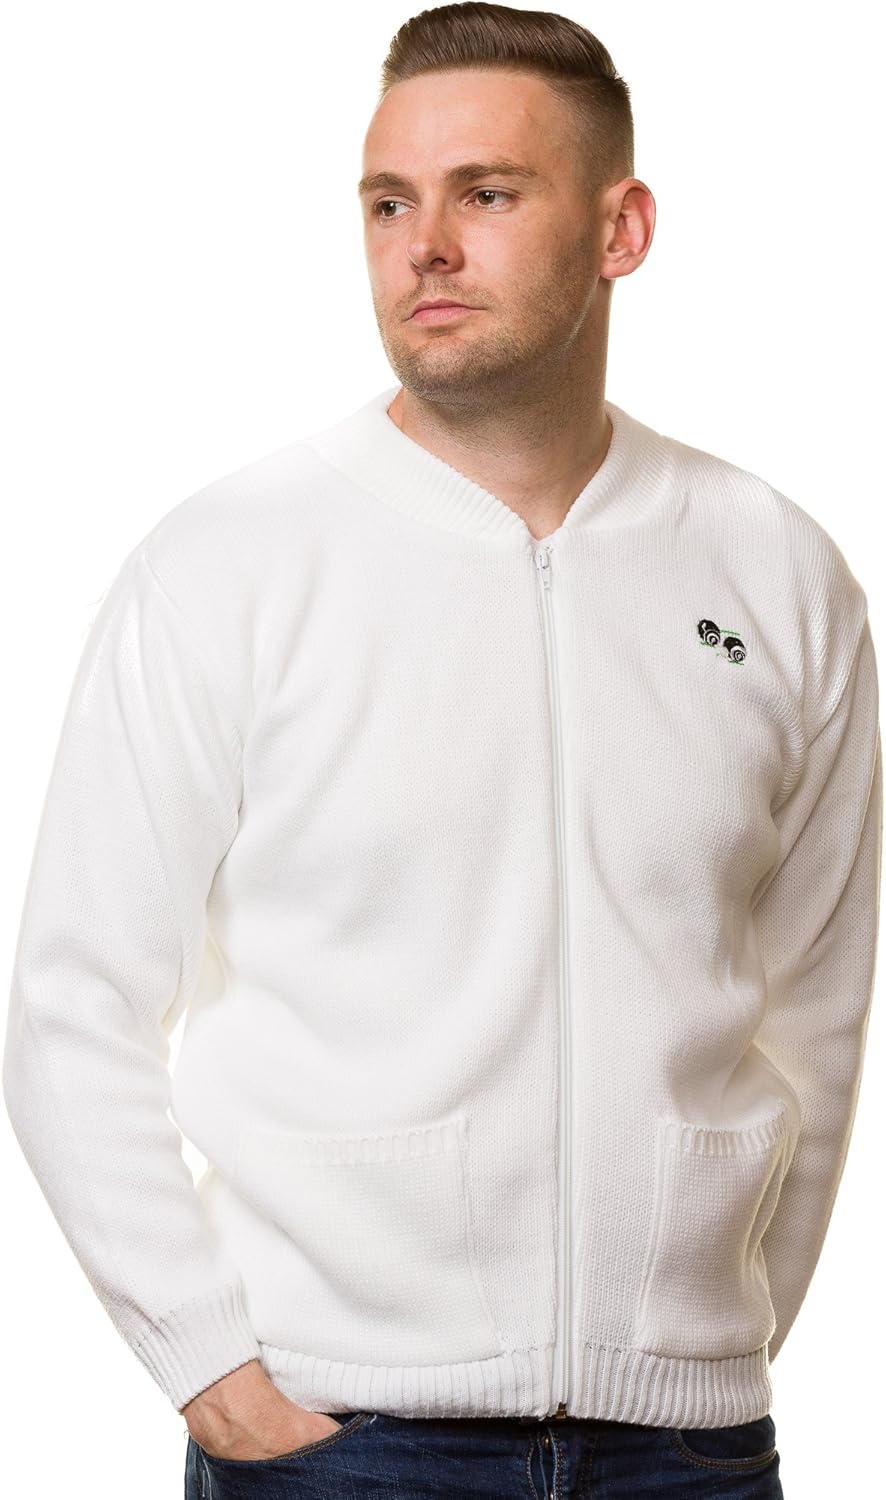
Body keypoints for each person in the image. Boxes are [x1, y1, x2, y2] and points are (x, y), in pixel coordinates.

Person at [3, 5, 880, 1497]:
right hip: (340, 1437)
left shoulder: (774, 572)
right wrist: (207, 1362)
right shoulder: (229, 564)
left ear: (620, 229)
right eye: (388, 202)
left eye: (487, 193)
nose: (425, 248)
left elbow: (819, 1011)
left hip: (690, 1447)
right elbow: (74, 996)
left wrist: (705, 1351)